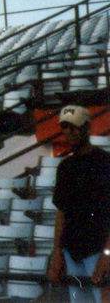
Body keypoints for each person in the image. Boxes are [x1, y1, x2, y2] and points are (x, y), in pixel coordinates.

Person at [47, 105, 110, 303]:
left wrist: (107, 255)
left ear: (87, 128)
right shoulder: (65, 166)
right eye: (65, 127)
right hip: (72, 254)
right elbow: (61, 212)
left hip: (98, 251)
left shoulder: (104, 162)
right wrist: (57, 253)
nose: (69, 132)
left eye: (74, 127)